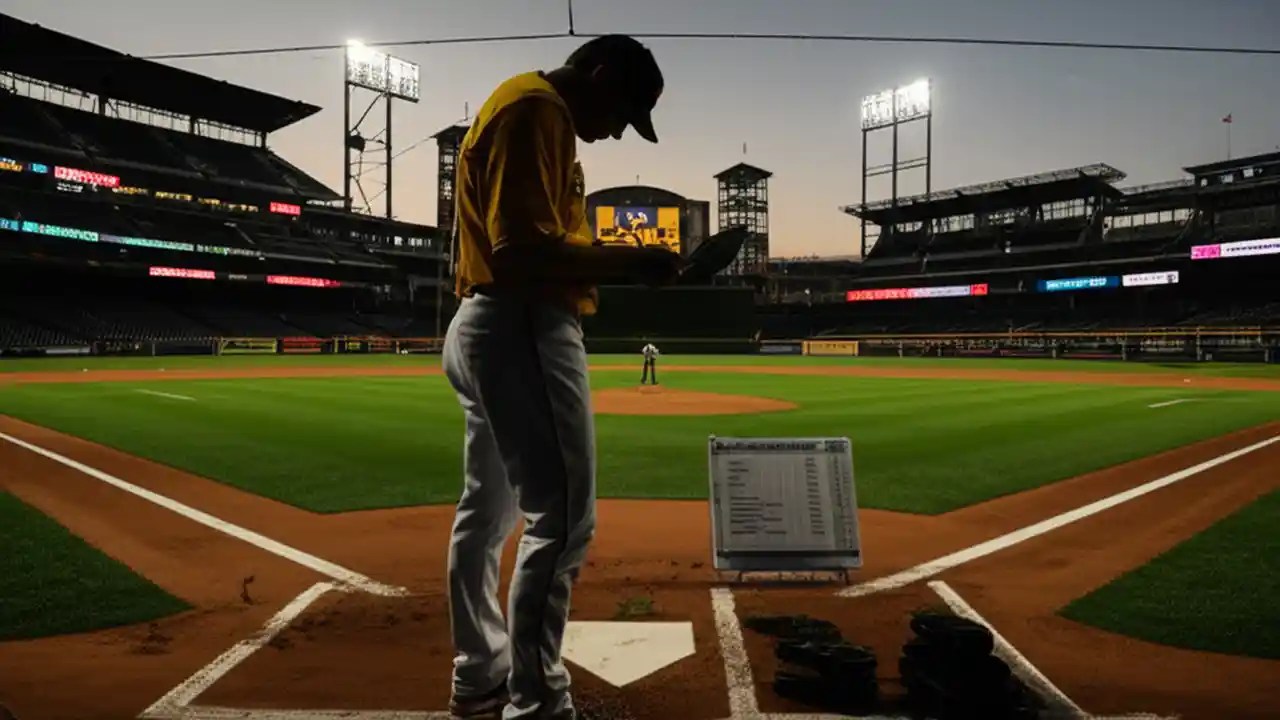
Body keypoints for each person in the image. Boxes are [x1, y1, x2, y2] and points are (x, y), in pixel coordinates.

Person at [441, 35, 680, 720]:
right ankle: (538, 703)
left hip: (484, 321)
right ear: (600, 75)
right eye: (623, 113)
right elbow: (521, 250)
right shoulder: (539, 109)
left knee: (486, 515)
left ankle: (479, 675)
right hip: (523, 323)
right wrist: (633, 263)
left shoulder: (517, 102)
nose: (613, 134)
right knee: (565, 519)